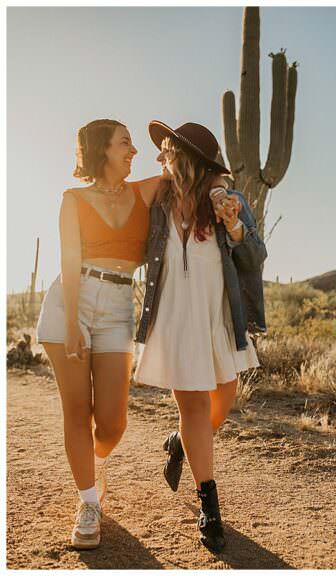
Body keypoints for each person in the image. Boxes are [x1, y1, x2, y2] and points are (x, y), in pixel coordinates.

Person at [134, 121, 266, 552]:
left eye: (167, 151)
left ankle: (180, 442)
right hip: (174, 316)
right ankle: (209, 502)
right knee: (192, 405)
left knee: (224, 396)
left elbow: (255, 256)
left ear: (189, 159)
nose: (160, 159)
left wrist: (235, 227)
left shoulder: (229, 201)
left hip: (217, 316)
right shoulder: (160, 201)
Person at [36, 119, 159, 549]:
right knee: (77, 410)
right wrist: (71, 324)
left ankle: (95, 463)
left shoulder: (143, 192)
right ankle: (88, 504)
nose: (133, 151)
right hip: (72, 301)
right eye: (125, 142)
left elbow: (189, 167)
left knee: (112, 420)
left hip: (119, 306)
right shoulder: (73, 200)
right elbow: (70, 259)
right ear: (102, 149)